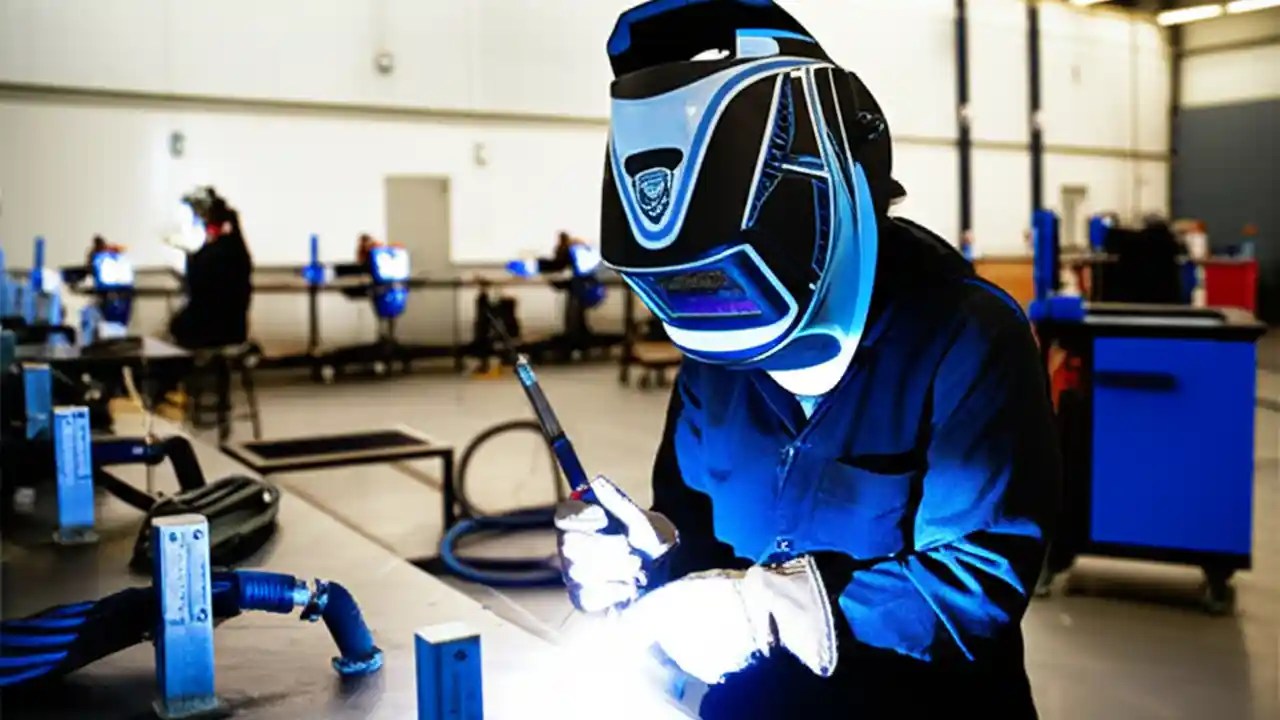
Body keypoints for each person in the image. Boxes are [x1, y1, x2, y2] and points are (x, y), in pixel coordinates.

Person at [554, 2, 1060, 718]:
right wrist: (643, 557)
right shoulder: (718, 342)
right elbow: (691, 524)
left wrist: (775, 607)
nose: (740, 339)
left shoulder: (967, 335)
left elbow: (979, 581)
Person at [168, 191, 253, 349]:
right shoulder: (235, 248)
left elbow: (200, 288)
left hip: (210, 328)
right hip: (232, 327)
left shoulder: (217, 253)